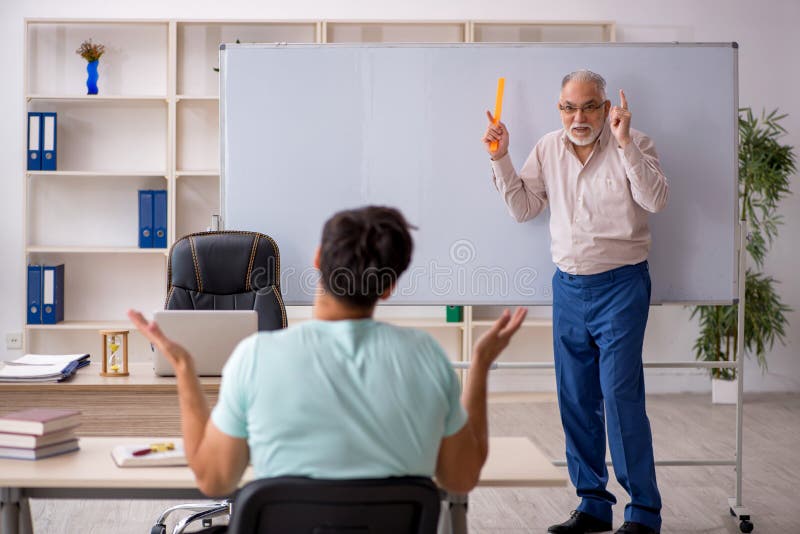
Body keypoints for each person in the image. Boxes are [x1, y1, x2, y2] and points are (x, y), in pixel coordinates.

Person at [129, 205, 527, 501]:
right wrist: (480, 366)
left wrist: (183, 368)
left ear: (318, 260)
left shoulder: (256, 357)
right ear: (389, 287)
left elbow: (214, 480)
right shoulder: (427, 356)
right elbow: (461, 478)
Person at [482, 70, 668, 534]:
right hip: (567, 287)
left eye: (589, 106)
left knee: (620, 396)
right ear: (559, 109)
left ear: (607, 109)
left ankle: (643, 512)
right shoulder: (547, 147)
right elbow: (524, 208)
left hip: (622, 286)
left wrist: (625, 145)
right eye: (569, 107)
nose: (578, 117)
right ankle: (593, 505)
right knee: (575, 398)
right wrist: (501, 157)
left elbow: (656, 200)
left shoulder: (636, 142)